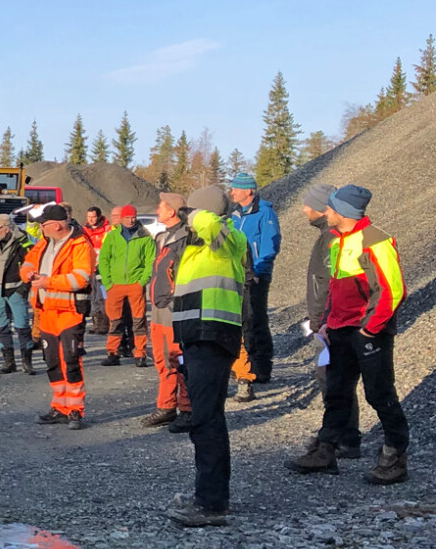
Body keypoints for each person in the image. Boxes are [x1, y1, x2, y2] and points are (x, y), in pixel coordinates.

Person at [287, 185, 410, 485]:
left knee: (379, 393)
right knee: (337, 391)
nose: (324, 212)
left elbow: (393, 291)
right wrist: (329, 322)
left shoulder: (376, 241)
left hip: (367, 333)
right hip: (341, 331)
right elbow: (336, 288)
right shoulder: (339, 242)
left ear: (343, 212)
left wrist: (370, 328)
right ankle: (326, 451)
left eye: (329, 208)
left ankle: (395, 457)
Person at [165, 186, 247, 527]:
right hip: (198, 338)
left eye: (192, 215)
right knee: (205, 417)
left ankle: (211, 503)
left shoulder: (225, 240)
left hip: (213, 335)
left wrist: (192, 210)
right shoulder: (202, 249)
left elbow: (213, 224)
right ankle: (209, 494)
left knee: (207, 419)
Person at [21, 204, 94, 429]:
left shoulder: (80, 244)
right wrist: (28, 273)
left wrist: (47, 282)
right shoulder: (44, 243)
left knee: (71, 361)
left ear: (57, 225)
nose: (40, 227)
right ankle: (60, 407)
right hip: (46, 312)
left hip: (70, 313)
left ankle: (75, 411)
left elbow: (81, 279)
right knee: (52, 361)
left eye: (43, 223)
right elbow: (27, 263)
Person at [299, 184, 356, 452]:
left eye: (309, 204)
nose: (304, 209)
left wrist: (322, 320)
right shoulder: (328, 235)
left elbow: (331, 282)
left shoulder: (332, 238)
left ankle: (340, 439)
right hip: (326, 321)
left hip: (330, 323)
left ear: (323, 208)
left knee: (332, 378)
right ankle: (340, 436)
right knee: (332, 377)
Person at [145, 193, 192, 429]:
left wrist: (175, 300)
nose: (157, 210)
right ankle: (166, 406)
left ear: (172, 211)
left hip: (174, 309)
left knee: (179, 360)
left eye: (161, 206)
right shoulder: (163, 237)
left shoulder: (185, 238)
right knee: (163, 360)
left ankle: (186, 408)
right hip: (158, 307)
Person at [228, 172, 280, 383]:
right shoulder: (235, 215)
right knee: (241, 321)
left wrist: (258, 271)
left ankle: (262, 367)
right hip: (238, 276)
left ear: (248, 191)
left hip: (256, 276)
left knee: (256, 320)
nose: (231, 192)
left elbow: (270, 245)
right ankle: (243, 366)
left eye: (235, 188)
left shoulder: (265, 213)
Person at [98, 204, 153, 367]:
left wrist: (142, 281)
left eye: (133, 217)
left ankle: (140, 353)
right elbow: (104, 259)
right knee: (114, 320)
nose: (131, 220)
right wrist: (108, 282)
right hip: (115, 285)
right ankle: (113, 353)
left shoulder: (145, 237)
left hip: (135, 284)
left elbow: (150, 261)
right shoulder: (112, 236)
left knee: (138, 320)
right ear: (121, 218)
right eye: (127, 217)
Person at [0, 215, 34, 375]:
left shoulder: (24, 244)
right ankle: (9, 362)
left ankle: (27, 363)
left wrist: (23, 289)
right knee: (2, 326)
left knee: (22, 326)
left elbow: (32, 269)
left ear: (6, 229)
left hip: (16, 291)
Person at [82, 206, 112, 335]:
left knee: (102, 296)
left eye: (93, 217)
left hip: (103, 268)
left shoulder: (107, 230)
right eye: (89, 217)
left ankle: (105, 323)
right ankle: (96, 323)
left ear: (99, 216)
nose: (91, 220)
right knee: (93, 297)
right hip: (90, 268)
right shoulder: (84, 231)